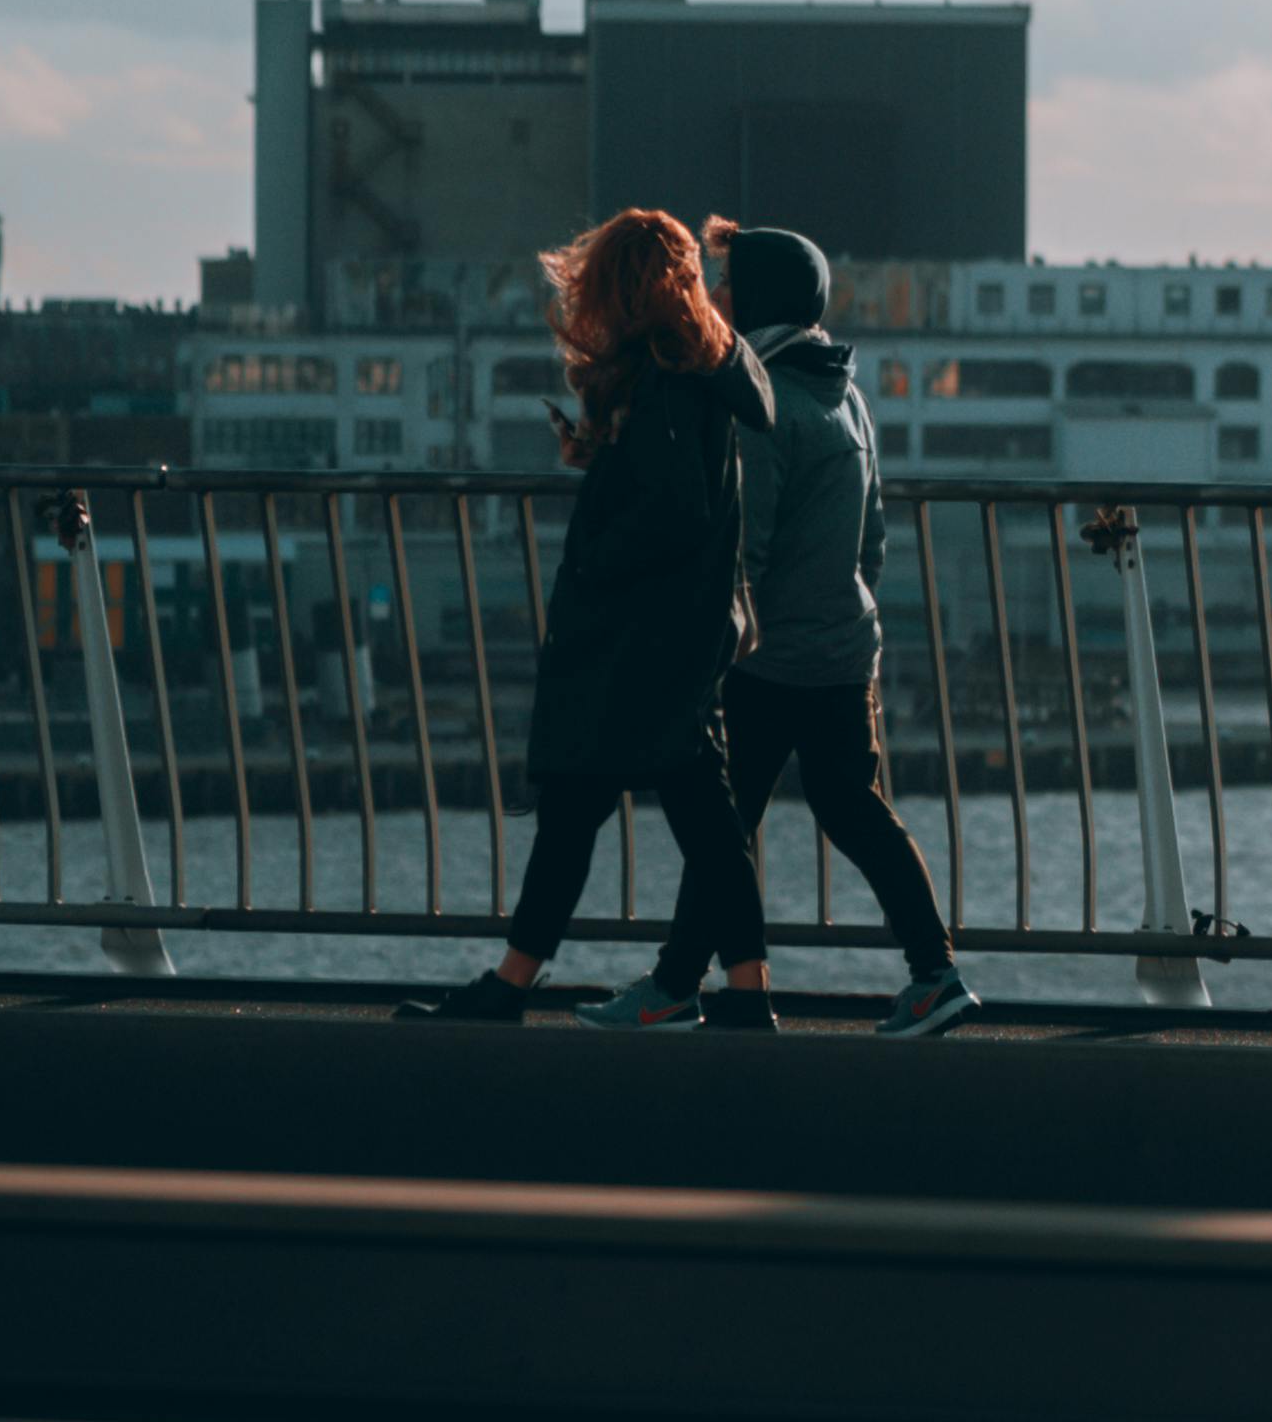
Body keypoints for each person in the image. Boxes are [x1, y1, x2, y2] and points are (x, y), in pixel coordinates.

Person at [593, 219, 978, 1040]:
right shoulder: (848, 394)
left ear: (758, 299)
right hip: (843, 647)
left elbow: (746, 550)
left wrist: (711, 644)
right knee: (853, 810)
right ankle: (934, 973)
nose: (713, 296)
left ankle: (674, 989)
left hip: (769, 660)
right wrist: (836, 610)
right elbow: (870, 539)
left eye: (725, 283)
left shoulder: (760, 404)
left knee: (721, 829)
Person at [405, 206, 776, 1025]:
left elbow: (669, 508)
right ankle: (744, 996)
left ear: (623, 289)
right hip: (676, 635)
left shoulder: (666, 380)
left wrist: (598, 561)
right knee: (697, 822)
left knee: (585, 809)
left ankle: (512, 983)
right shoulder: (699, 367)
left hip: (637, 639)